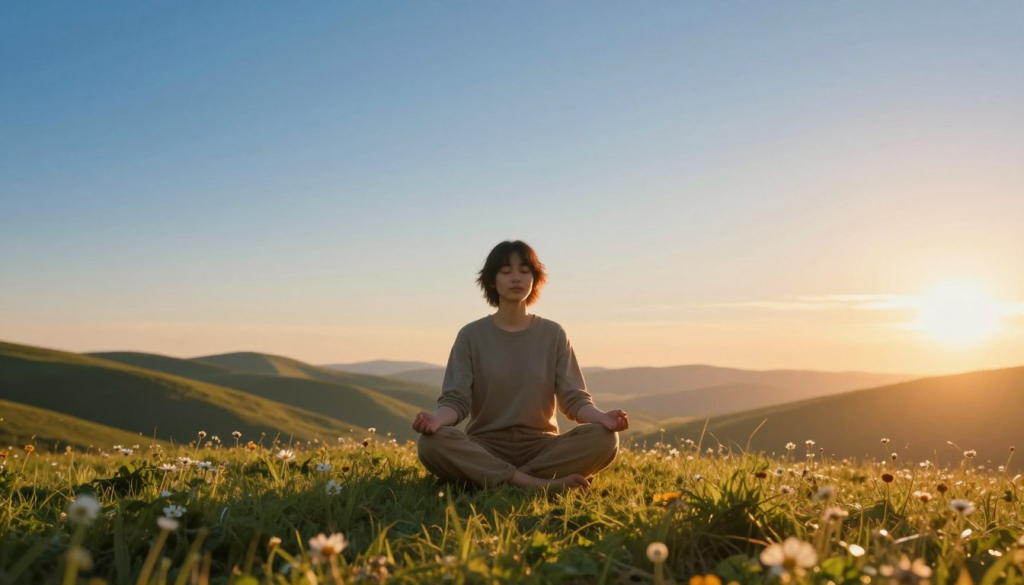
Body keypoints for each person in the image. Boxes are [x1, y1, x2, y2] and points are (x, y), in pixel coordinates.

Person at [412, 240, 630, 491]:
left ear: (535, 279)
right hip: (486, 446)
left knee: (604, 438)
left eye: (525, 271)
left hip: (541, 449)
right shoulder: (471, 335)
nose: (516, 278)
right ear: (492, 281)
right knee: (431, 443)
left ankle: (503, 479)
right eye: (506, 271)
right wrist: (436, 420)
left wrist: (604, 418)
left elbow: (574, 400)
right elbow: (456, 400)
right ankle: (538, 485)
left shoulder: (553, 334)